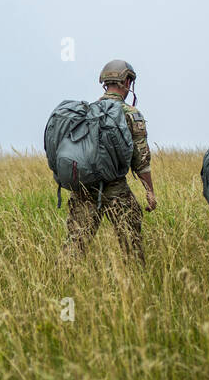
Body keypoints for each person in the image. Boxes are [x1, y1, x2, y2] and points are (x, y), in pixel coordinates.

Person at [63, 60, 156, 263]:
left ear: (105, 83)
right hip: (116, 188)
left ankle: (57, 287)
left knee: (74, 245)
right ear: (127, 81)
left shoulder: (88, 111)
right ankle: (133, 287)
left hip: (84, 187)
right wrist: (149, 191)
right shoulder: (131, 114)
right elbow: (141, 159)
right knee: (131, 245)